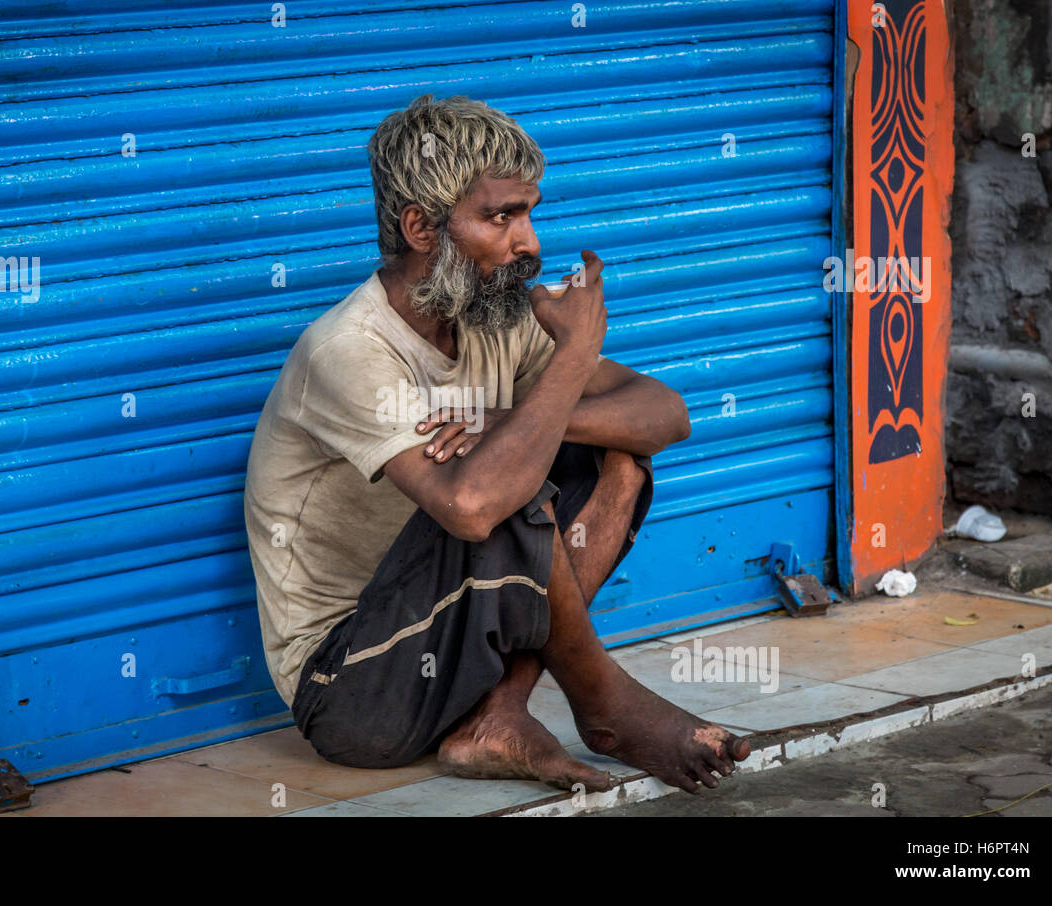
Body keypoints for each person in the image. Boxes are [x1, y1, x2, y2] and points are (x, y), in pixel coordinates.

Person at [243, 94, 749, 793]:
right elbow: (474, 507)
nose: (530, 244)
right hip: (354, 689)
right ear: (421, 227)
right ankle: (606, 703)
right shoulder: (348, 352)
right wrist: (570, 362)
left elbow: (665, 412)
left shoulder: (491, 316)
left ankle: (498, 716)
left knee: (614, 458)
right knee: (505, 483)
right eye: (501, 217)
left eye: (529, 213)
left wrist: (506, 416)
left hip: (446, 647)